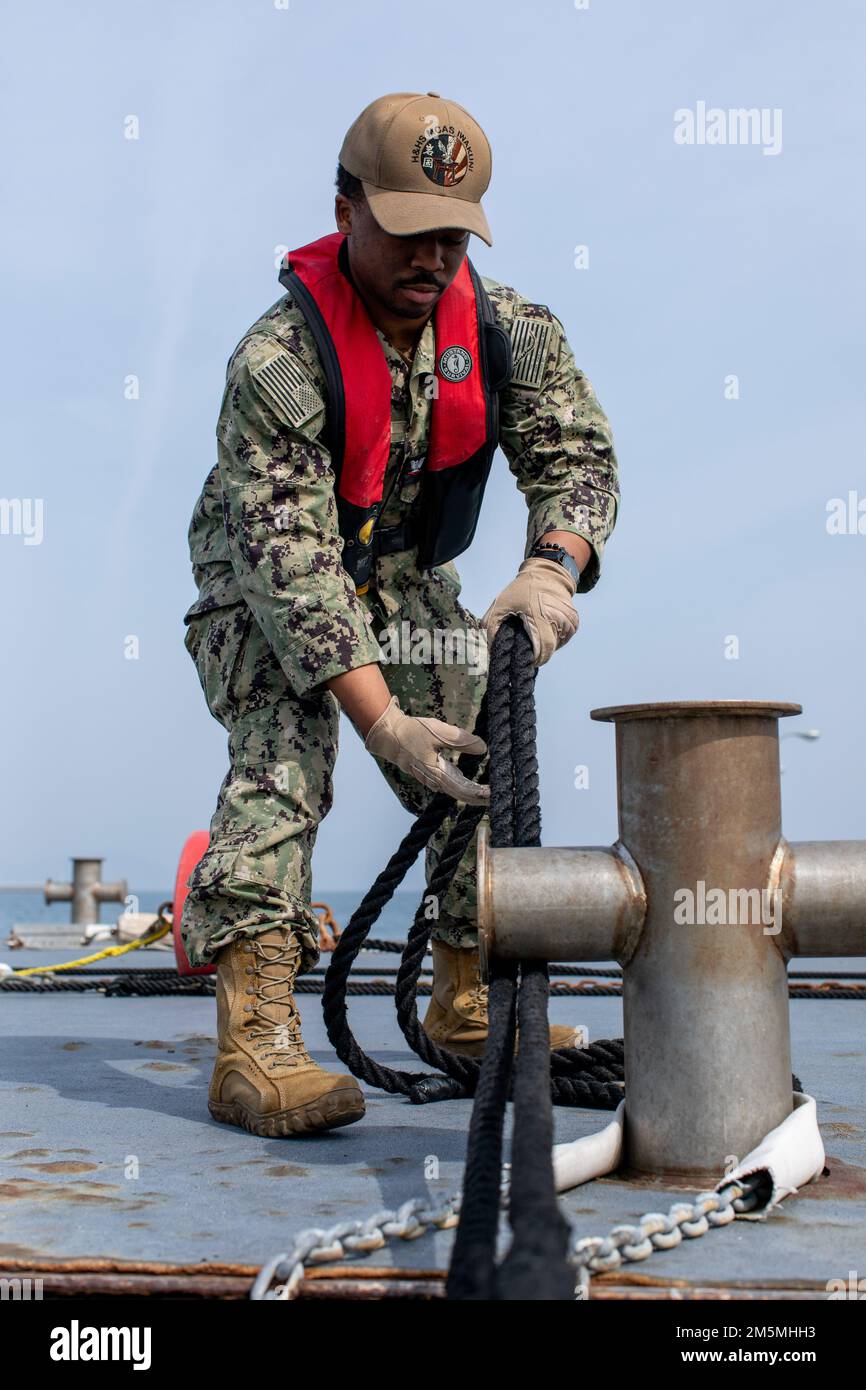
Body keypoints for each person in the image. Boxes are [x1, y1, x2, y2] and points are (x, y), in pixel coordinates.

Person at [181, 91, 620, 1137]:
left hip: (406, 577)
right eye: (409, 231)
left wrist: (550, 569)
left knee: (474, 753)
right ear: (345, 213)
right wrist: (380, 722)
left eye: (451, 234)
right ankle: (254, 1039)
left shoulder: (506, 330)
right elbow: (295, 578)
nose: (432, 259)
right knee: (284, 758)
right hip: (267, 585)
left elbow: (575, 459)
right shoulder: (277, 365)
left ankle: (467, 999)